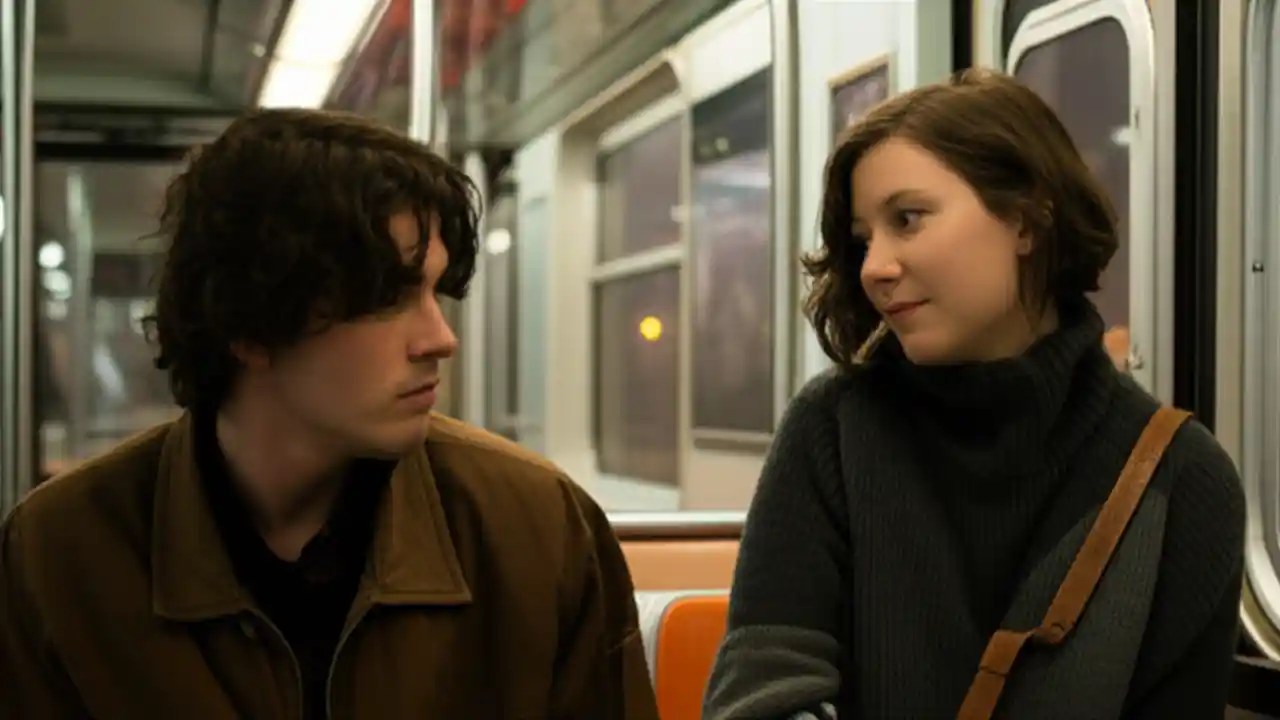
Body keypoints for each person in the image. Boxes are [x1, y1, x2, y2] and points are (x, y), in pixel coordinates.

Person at [0, 109, 659, 719]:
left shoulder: (537, 528)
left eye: (435, 292)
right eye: (387, 299)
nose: (440, 338)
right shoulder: (61, 553)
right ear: (250, 323)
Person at [703, 69, 1245, 719]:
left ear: (1026, 218)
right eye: (862, 239)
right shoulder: (831, 433)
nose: (875, 265)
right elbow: (766, 689)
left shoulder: (1179, 479)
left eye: (908, 219)